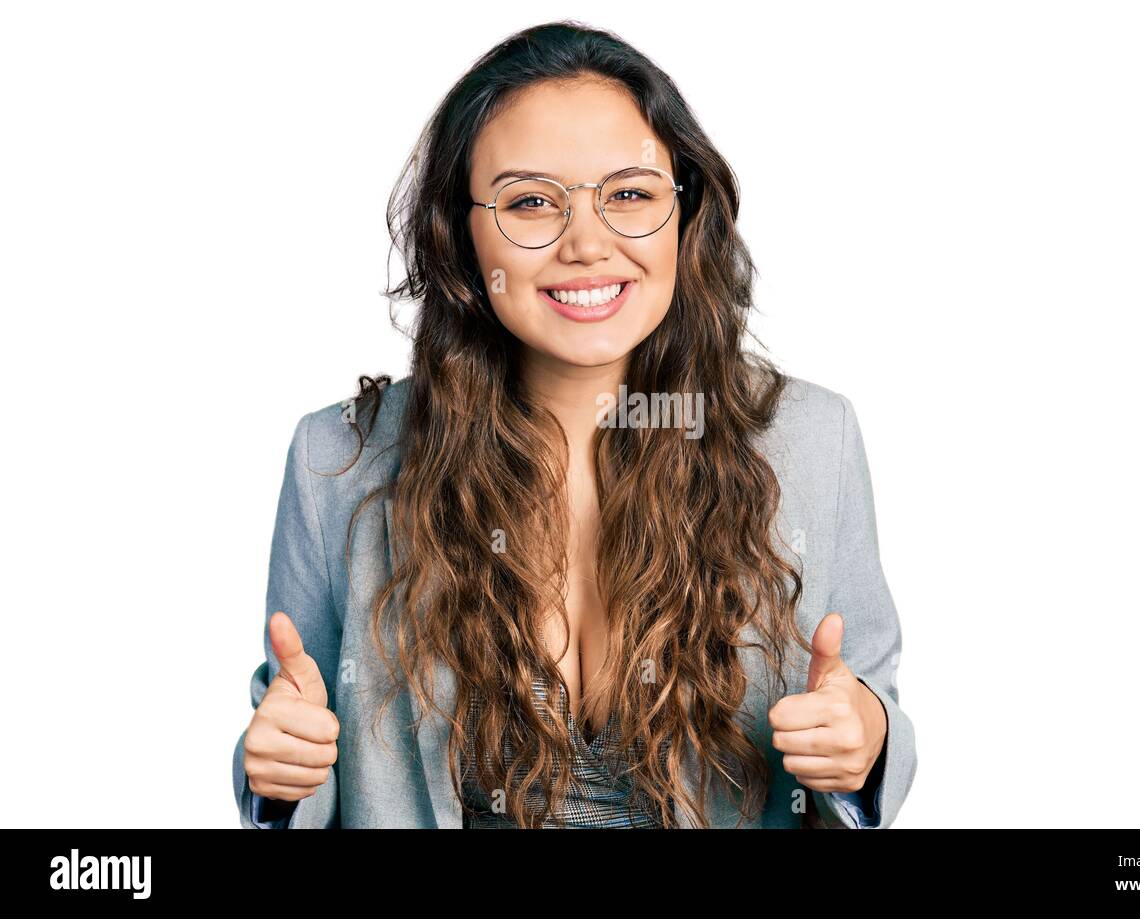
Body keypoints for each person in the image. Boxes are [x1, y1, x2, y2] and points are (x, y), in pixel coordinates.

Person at [233, 20, 916, 829]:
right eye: (529, 202)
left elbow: (869, 716)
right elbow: (293, 758)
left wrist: (861, 741)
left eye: (629, 194)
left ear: (683, 211)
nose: (587, 243)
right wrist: (283, 773)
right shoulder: (338, 458)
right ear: (460, 232)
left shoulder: (811, 438)